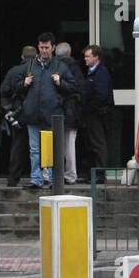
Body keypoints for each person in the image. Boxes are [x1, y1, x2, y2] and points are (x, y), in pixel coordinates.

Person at [20, 32, 77, 188]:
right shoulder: (30, 65)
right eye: (41, 47)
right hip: (33, 114)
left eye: (46, 47)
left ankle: (53, 180)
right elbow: (14, 86)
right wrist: (23, 83)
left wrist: (60, 83)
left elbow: (73, 88)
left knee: (52, 149)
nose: (44, 50)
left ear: (53, 48)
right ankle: (36, 179)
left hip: (52, 115)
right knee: (35, 150)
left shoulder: (60, 66)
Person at [0, 46, 36, 186]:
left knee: (17, 146)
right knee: (38, 147)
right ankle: (38, 177)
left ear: (22, 57)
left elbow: (4, 90)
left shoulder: (13, 71)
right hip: (36, 112)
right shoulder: (39, 70)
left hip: (18, 113)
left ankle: (13, 178)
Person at [79, 45, 113, 183]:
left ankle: (99, 175)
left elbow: (101, 95)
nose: (85, 59)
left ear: (96, 57)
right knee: (91, 144)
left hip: (97, 114)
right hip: (92, 114)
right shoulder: (92, 72)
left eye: (88, 56)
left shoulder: (101, 73)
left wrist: (88, 107)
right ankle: (92, 174)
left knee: (98, 144)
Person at [55, 42, 83, 183]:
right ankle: (71, 175)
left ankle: (54, 175)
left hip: (55, 111)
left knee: (53, 144)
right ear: (69, 53)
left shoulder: (52, 67)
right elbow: (79, 88)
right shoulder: (75, 68)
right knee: (69, 144)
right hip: (71, 111)